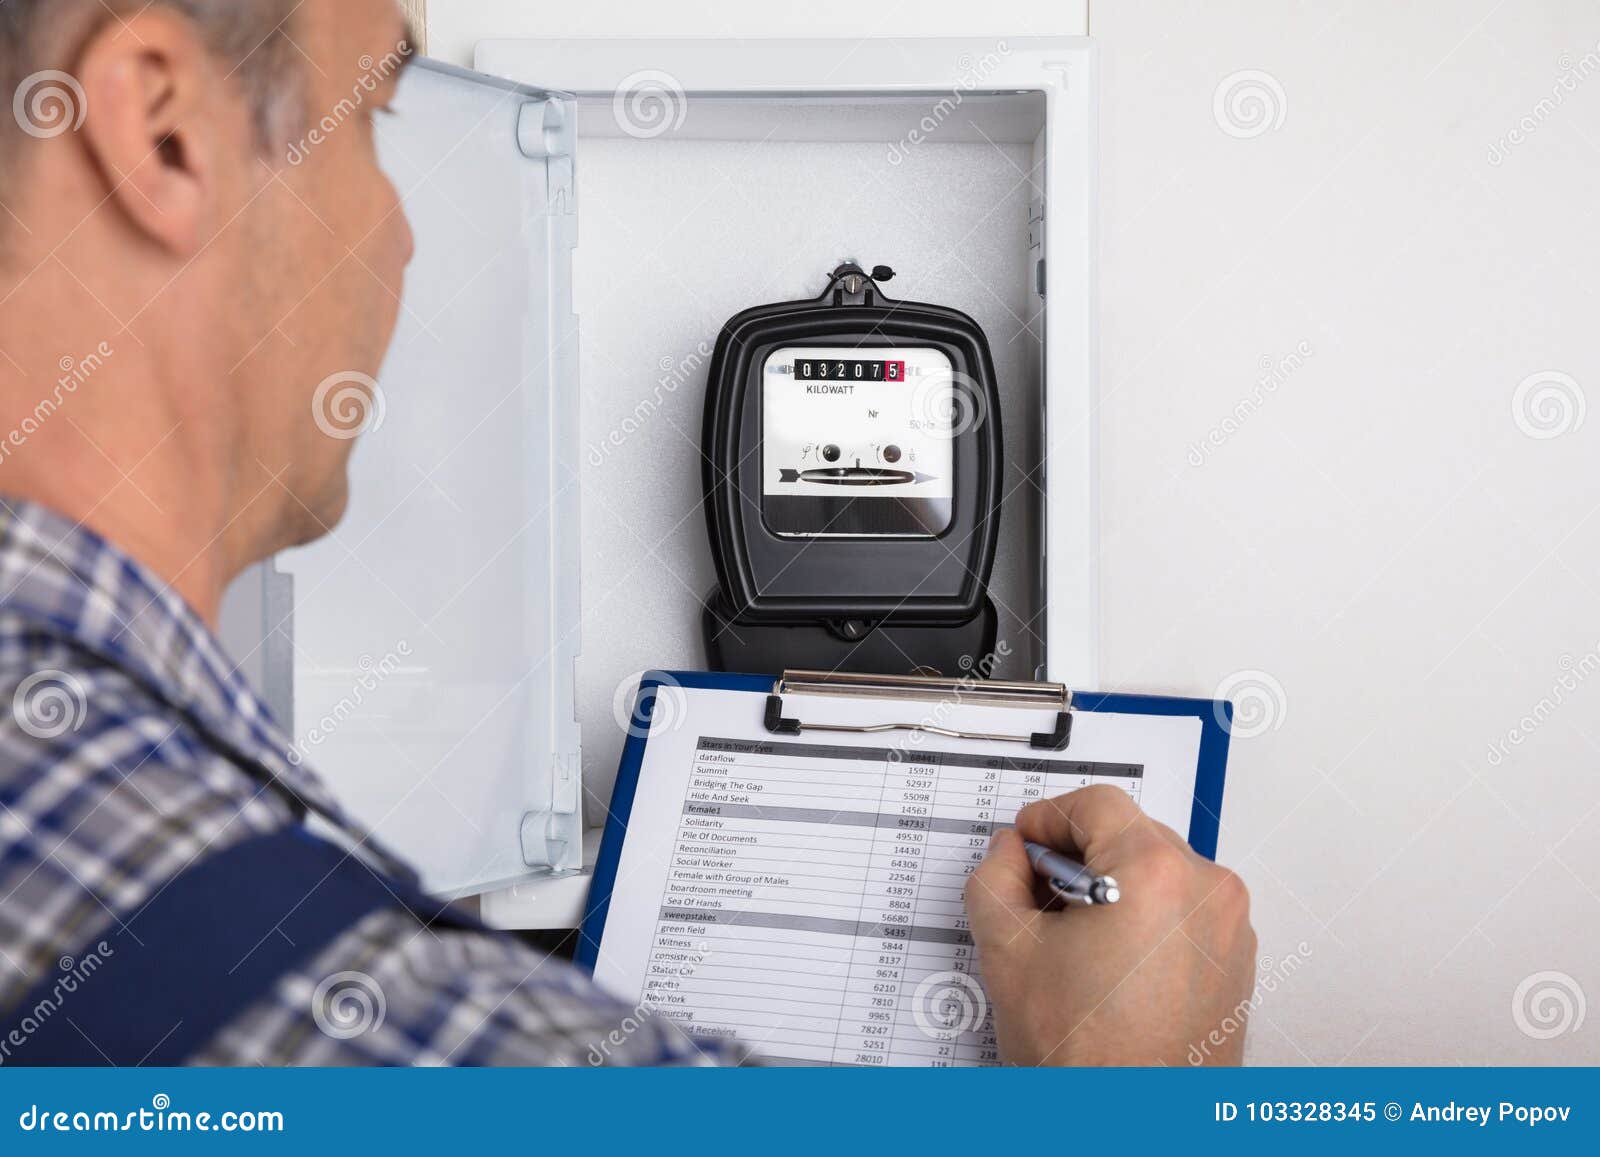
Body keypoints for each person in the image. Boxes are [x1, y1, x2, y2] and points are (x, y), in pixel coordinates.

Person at [0, 0, 1257, 1066]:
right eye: (374, 121)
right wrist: (1126, 1093)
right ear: (162, 129)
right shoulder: (365, 1019)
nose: (408, 231)